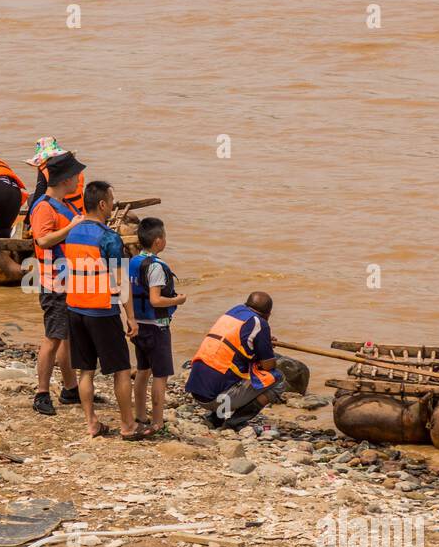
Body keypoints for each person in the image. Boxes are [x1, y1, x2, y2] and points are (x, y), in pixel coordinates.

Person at [64, 180, 148, 440]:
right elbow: (120, 281)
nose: (113, 206)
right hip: (101, 309)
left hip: (75, 307)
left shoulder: (72, 232)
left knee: (86, 370)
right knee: (122, 369)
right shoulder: (109, 238)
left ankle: (91, 422)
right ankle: (128, 425)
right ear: (102, 204)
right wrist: (131, 318)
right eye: (111, 201)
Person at [28, 151, 88, 415]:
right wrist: (71, 228)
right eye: (76, 176)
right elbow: (42, 240)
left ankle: (70, 388)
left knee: (66, 338)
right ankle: (41, 393)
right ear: (66, 179)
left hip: (70, 281)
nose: (79, 180)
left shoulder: (68, 205)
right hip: (54, 283)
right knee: (53, 338)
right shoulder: (44, 206)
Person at [185, 291, 286, 430]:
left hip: (196, 391)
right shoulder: (260, 323)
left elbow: (237, 344)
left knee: (231, 370)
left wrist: (262, 342)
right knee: (278, 380)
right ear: (268, 314)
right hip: (215, 400)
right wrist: (266, 346)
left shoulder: (234, 312)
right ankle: (236, 422)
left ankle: (216, 418)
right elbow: (268, 365)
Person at [128, 218, 186, 434]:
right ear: (159, 241)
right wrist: (178, 300)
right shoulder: (156, 267)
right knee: (160, 375)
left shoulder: (133, 262)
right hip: (156, 327)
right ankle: (158, 421)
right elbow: (156, 300)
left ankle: (141, 414)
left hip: (138, 324)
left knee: (143, 371)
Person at [25, 137, 84, 221]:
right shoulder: (74, 167)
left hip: (61, 212)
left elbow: (39, 194)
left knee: (31, 198)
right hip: (79, 211)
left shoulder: (45, 167)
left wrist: (27, 220)